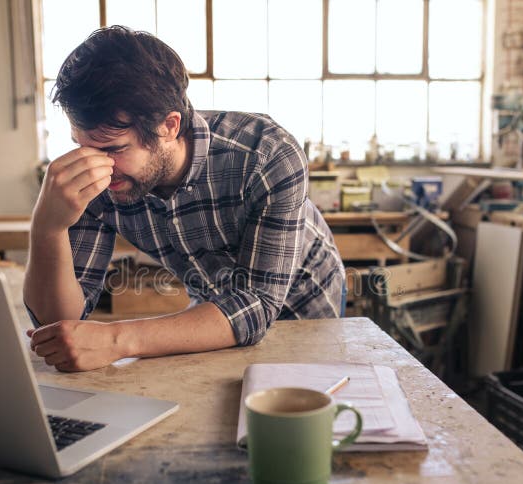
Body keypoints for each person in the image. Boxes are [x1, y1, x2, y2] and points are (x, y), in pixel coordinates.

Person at [23, 26, 344, 372]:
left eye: (114, 149)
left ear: (170, 126)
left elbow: (256, 304)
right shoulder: (97, 177)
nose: (96, 165)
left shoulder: (266, 154)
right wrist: (47, 228)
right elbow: (60, 323)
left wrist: (117, 339)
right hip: (213, 311)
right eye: (81, 145)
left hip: (306, 305)